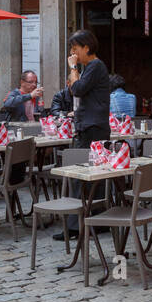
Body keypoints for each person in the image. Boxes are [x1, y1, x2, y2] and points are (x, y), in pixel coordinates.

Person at [46, 30, 111, 241]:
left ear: (87, 47)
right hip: (93, 125)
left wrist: (73, 68)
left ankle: (76, 227)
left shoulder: (94, 66)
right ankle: (97, 221)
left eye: (75, 49)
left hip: (91, 128)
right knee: (94, 176)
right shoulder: (93, 68)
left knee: (80, 175)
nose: (73, 54)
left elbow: (78, 90)